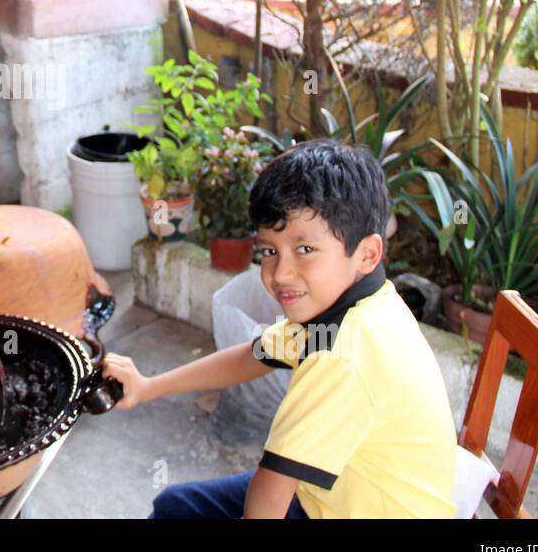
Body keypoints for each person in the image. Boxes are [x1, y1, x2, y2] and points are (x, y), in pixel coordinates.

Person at [103, 140, 458, 518]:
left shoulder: (342, 354)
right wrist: (148, 387)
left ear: (368, 253)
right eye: (269, 251)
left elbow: (269, 496)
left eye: (304, 249)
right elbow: (253, 355)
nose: (280, 273)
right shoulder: (347, 305)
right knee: (176, 507)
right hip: (330, 496)